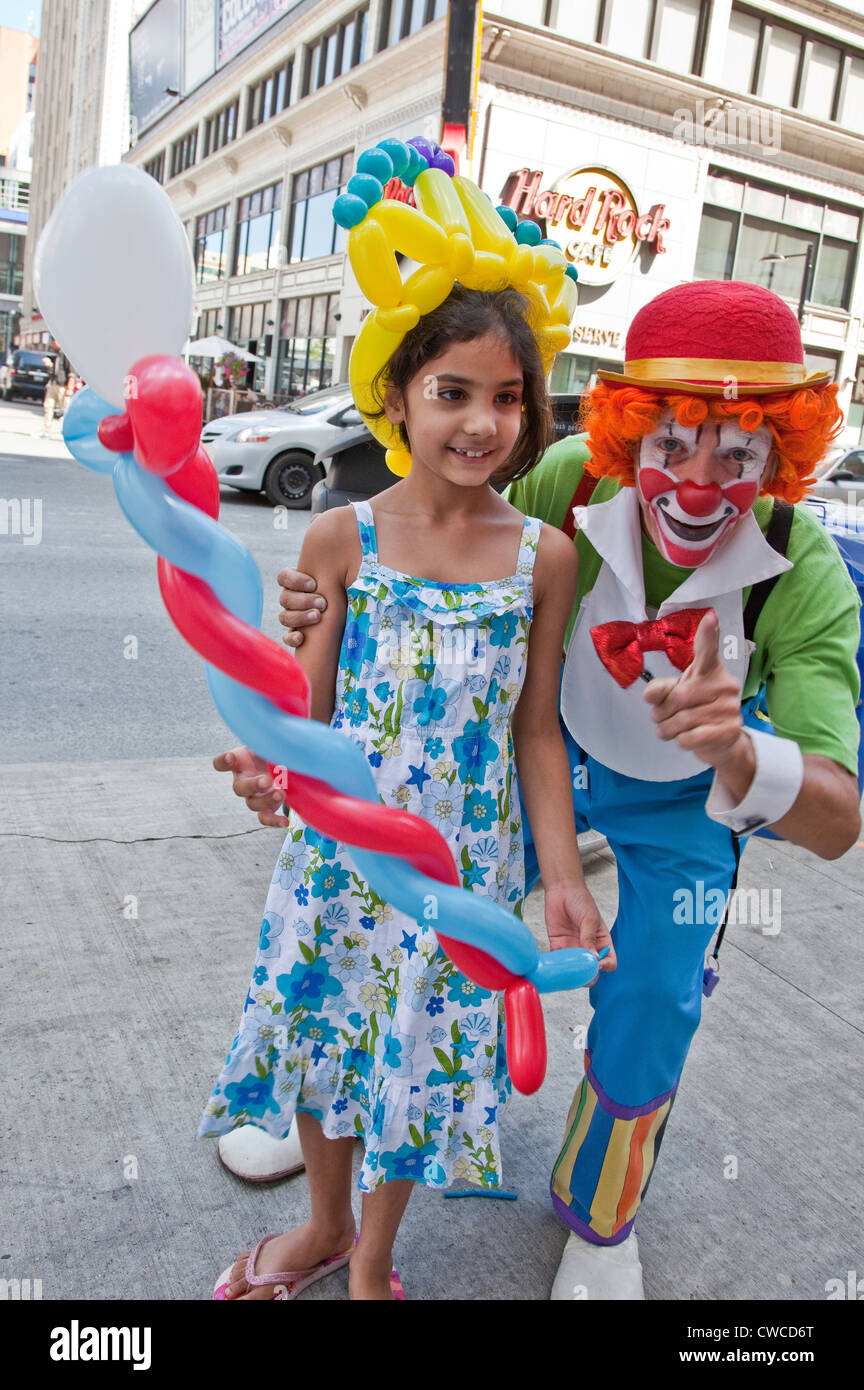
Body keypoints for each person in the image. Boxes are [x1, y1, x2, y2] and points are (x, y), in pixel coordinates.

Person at [265, 279, 862, 1299]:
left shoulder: (800, 573)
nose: (700, 482)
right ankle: (329, 1097)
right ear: (630, 438)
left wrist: (739, 750)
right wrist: (329, 594)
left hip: (686, 794)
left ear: (781, 453)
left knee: (654, 993)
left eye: (740, 452)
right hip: (539, 748)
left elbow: (839, 820)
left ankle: (599, 1206)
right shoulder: (566, 484)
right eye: (674, 443)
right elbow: (446, 541)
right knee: (399, 895)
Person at [200, 283, 611, 1301]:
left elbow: (535, 731)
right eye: (452, 390)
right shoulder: (341, 541)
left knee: (413, 1060)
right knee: (324, 1028)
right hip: (339, 863)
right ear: (397, 395)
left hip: (462, 876)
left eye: (508, 397)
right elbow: (304, 705)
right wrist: (266, 768)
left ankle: (373, 1260)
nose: (482, 422)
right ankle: (327, 1224)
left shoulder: (543, 557)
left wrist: (560, 876)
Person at [41, 345, 69, 435]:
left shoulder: (67, 354)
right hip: (53, 383)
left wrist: (69, 388)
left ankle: (65, 430)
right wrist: (49, 365)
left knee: (64, 409)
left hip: (63, 385)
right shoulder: (55, 354)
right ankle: (46, 430)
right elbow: (55, 370)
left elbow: (71, 373)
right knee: (48, 406)